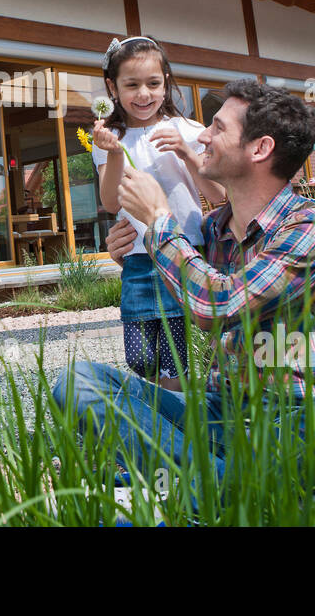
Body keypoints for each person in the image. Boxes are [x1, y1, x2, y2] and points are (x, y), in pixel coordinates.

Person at [52, 79, 315, 494]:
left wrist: (158, 221)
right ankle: (231, 486)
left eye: (218, 128)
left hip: (297, 414)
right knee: (79, 382)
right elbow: (187, 279)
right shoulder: (214, 230)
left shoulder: (314, 226)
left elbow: (218, 304)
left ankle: (200, 486)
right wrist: (134, 251)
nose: (203, 135)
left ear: (259, 149)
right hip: (219, 412)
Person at [90, 36, 225, 388]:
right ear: (112, 88)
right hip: (137, 258)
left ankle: (177, 416)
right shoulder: (109, 138)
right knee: (140, 356)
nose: (144, 94)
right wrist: (115, 153)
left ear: (166, 80)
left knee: (178, 354)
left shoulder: (190, 131)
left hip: (186, 252)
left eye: (153, 83)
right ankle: (166, 409)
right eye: (131, 85)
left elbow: (219, 193)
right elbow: (110, 202)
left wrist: (187, 153)